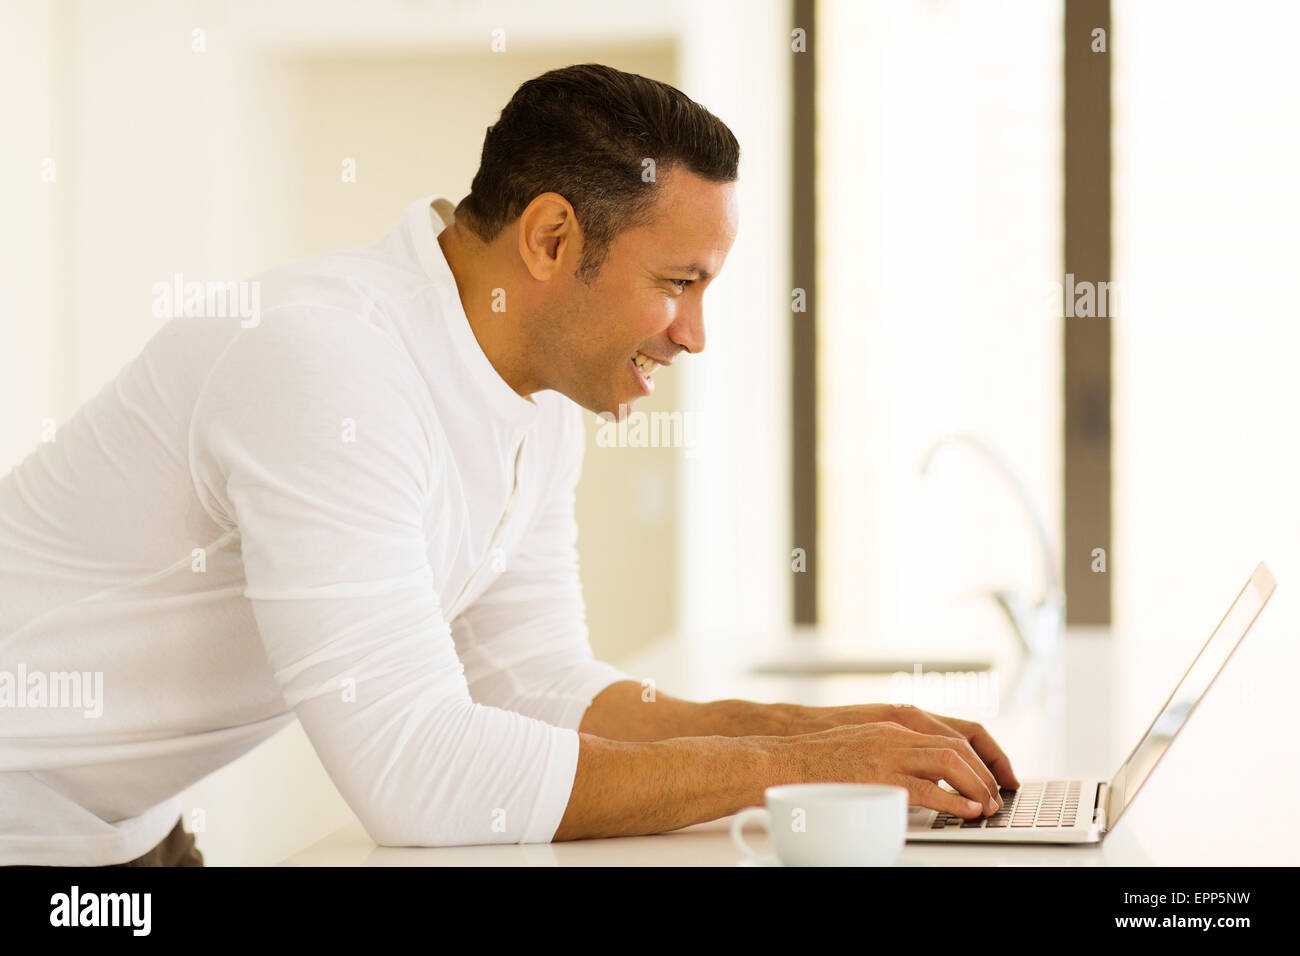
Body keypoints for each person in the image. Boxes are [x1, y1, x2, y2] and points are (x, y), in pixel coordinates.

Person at [0, 63, 1016, 867]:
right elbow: (418, 775)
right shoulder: (328, 360)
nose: (696, 334)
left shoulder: (539, 404)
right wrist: (792, 764)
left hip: (119, 831)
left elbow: (533, 680)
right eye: (678, 282)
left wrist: (828, 734)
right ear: (551, 236)